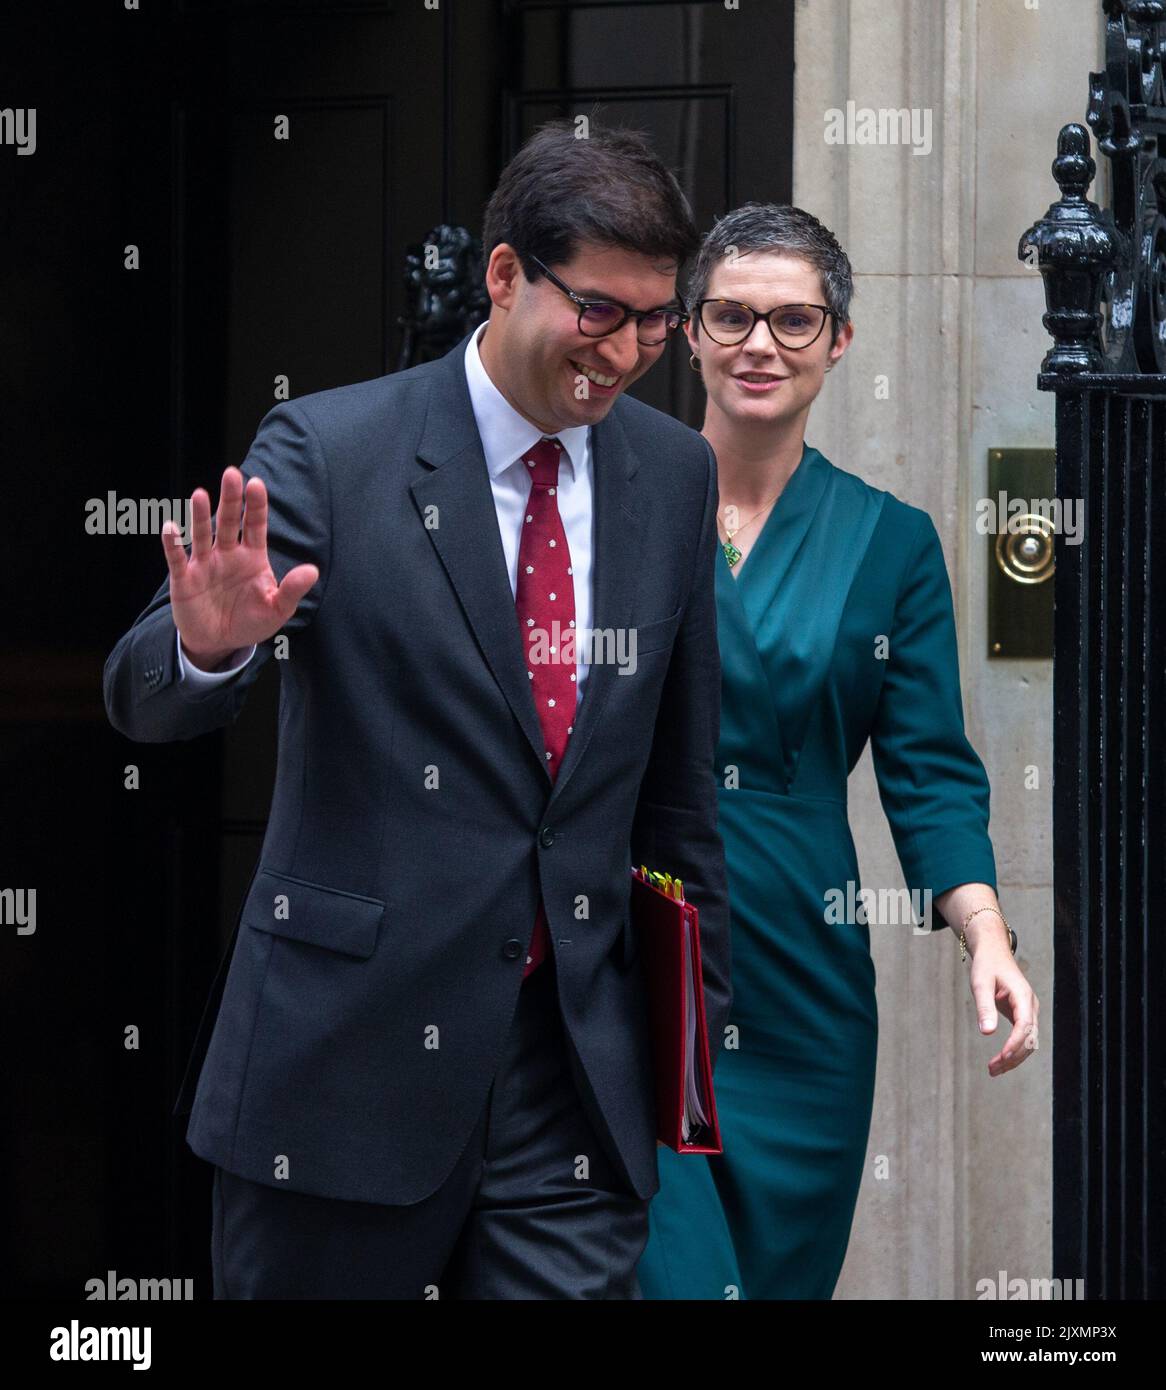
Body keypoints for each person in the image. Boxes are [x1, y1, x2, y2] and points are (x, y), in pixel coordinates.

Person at [103, 120, 732, 1299]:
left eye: (656, 320)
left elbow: (678, 787)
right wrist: (204, 644)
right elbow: (140, 701)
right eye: (599, 310)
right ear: (504, 275)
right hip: (341, 1071)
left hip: (571, 1092)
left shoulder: (675, 471)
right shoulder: (333, 450)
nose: (630, 350)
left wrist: (694, 1035)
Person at [636, 203, 1039, 1300]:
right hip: (639, 957)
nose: (759, 343)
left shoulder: (890, 542)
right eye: (730, 317)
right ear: (686, 331)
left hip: (804, 978)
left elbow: (928, 770)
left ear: (838, 340)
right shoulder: (618, 504)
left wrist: (984, 937)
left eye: (793, 320)